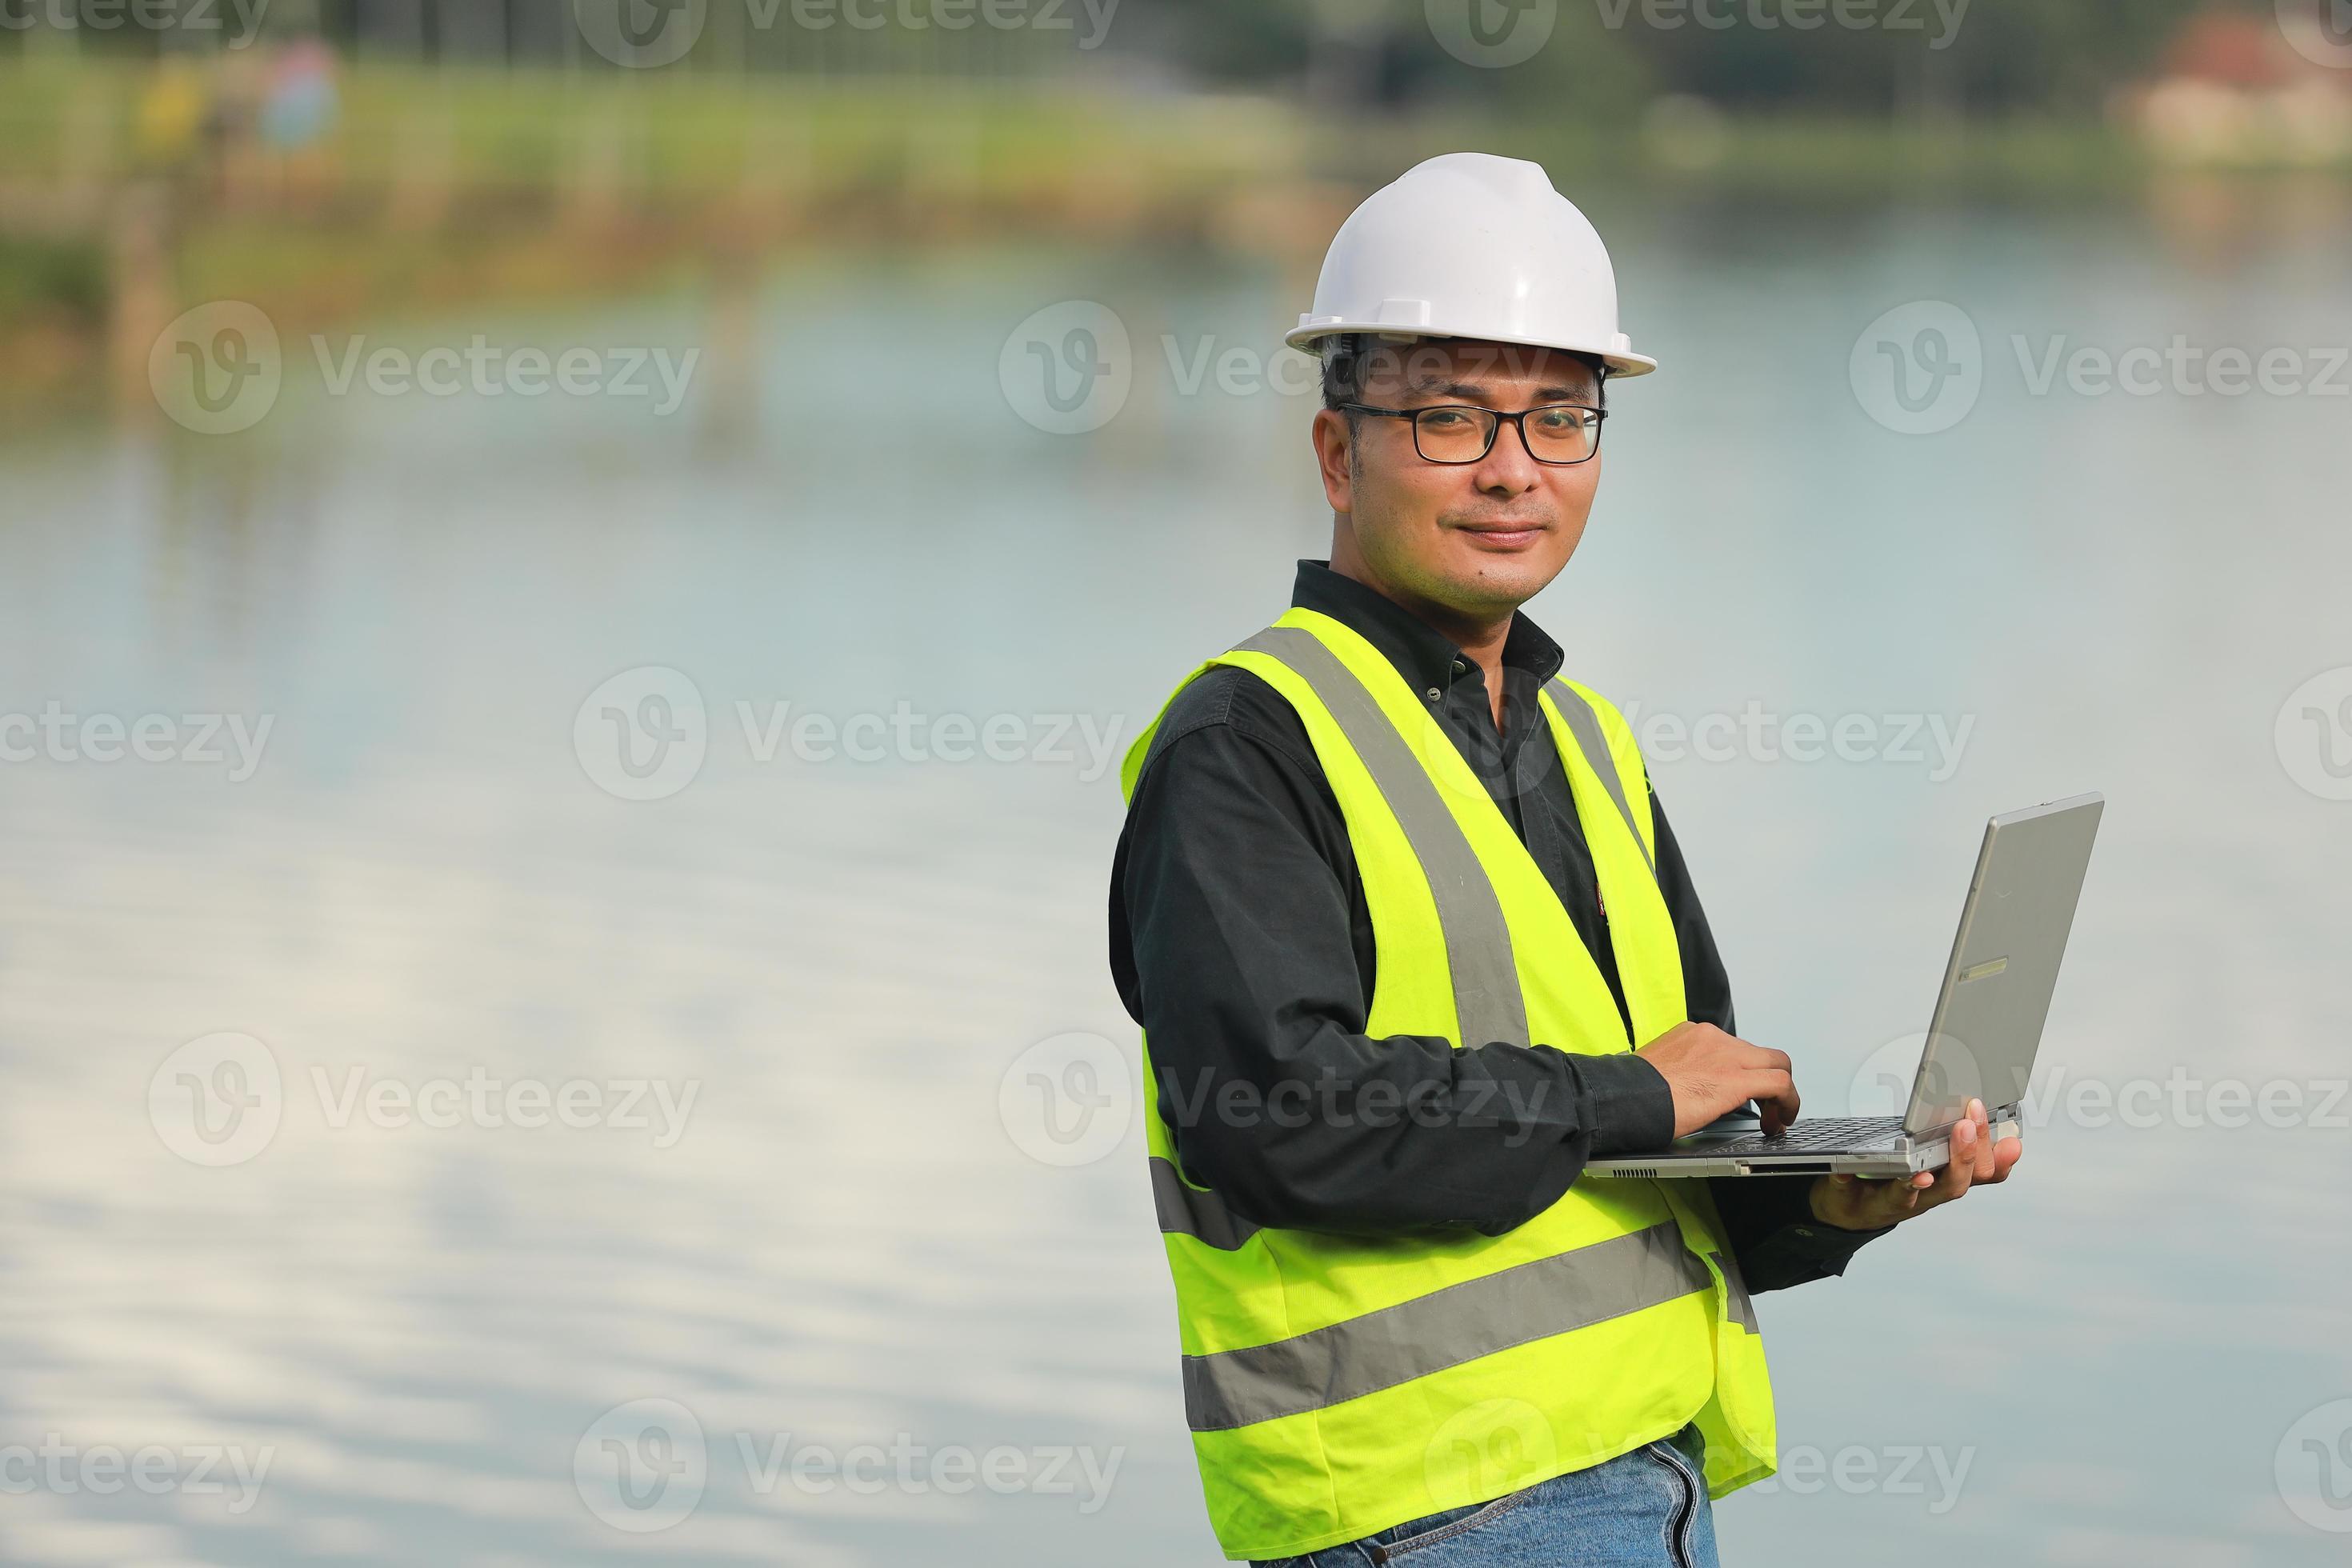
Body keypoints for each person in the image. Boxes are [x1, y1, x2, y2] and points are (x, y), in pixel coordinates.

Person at [1106, 153, 2022, 1566]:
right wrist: (1630, 1094)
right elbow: (1275, 1116)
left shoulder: (1586, 741)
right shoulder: (1246, 740)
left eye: (1557, 418)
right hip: (1421, 1512)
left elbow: (1660, 1135)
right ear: (1340, 451)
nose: (1514, 470)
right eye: (1452, 419)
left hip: (1648, 1483)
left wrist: (1827, 1207)